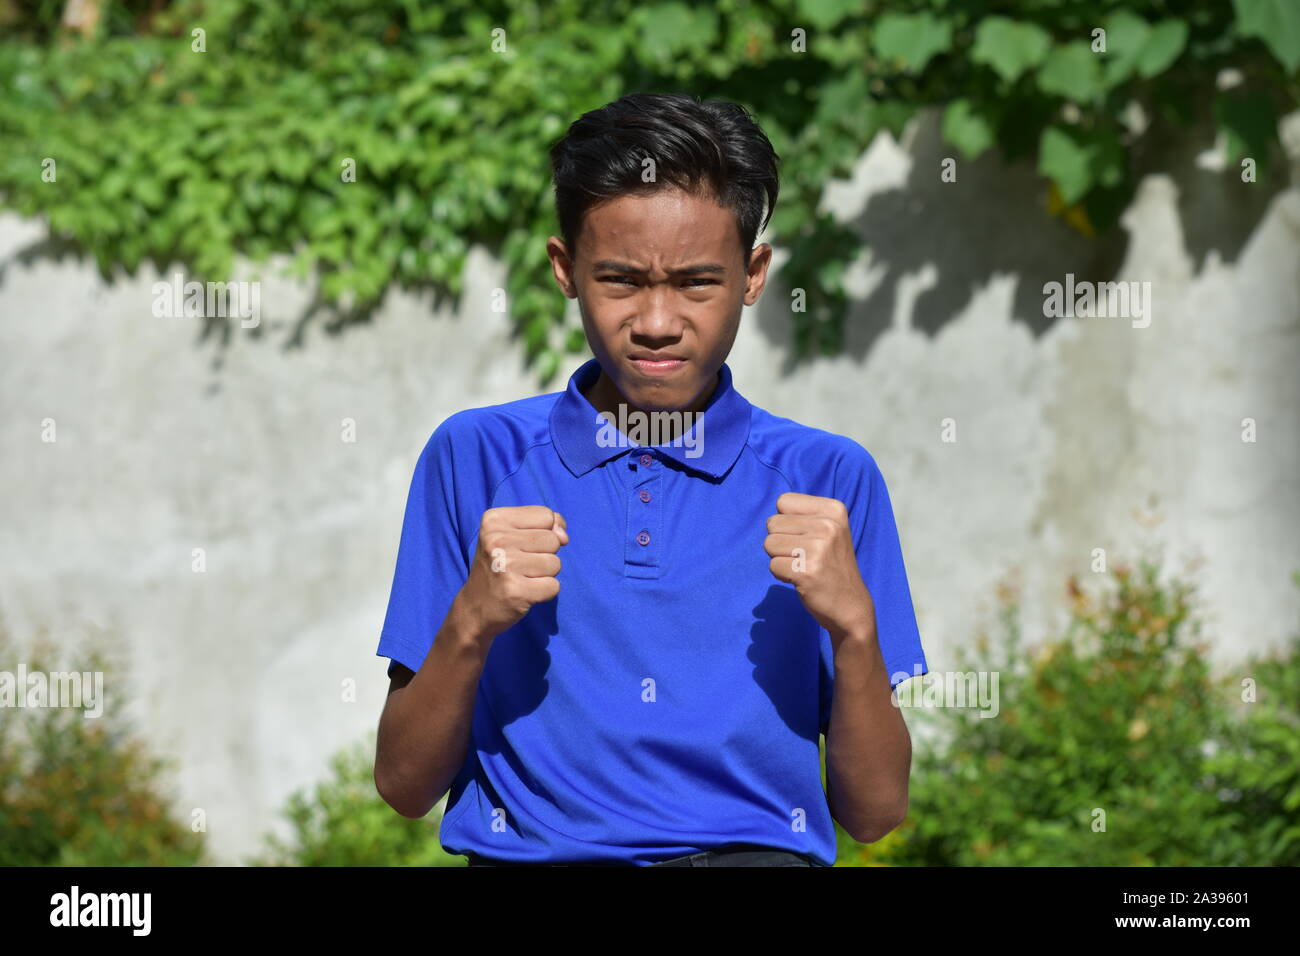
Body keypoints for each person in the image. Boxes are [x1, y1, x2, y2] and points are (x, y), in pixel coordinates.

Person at [373, 92, 928, 867]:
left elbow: (874, 813)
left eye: (697, 282)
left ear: (753, 274)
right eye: (622, 281)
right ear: (565, 270)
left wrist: (855, 631)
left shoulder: (828, 479)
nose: (658, 321)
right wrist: (471, 620)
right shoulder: (475, 458)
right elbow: (402, 785)